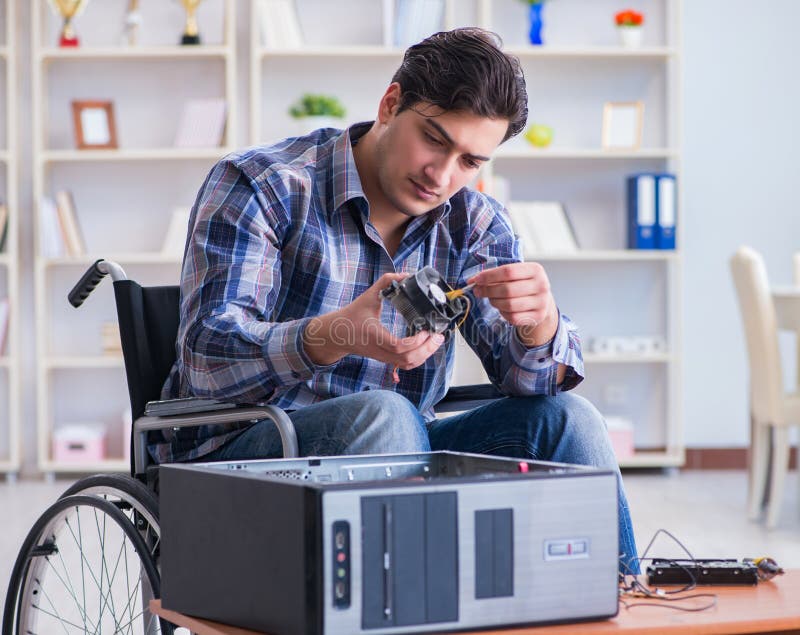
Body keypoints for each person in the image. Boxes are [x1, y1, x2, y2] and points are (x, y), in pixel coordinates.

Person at [158, 27, 638, 574]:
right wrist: (331, 335)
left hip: (400, 455)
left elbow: (526, 382)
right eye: (434, 139)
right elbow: (205, 362)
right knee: (389, 417)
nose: (443, 175)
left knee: (568, 419)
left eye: (470, 161)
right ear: (390, 103)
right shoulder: (262, 185)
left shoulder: (473, 223)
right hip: (245, 456)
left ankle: (620, 603)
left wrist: (540, 328)